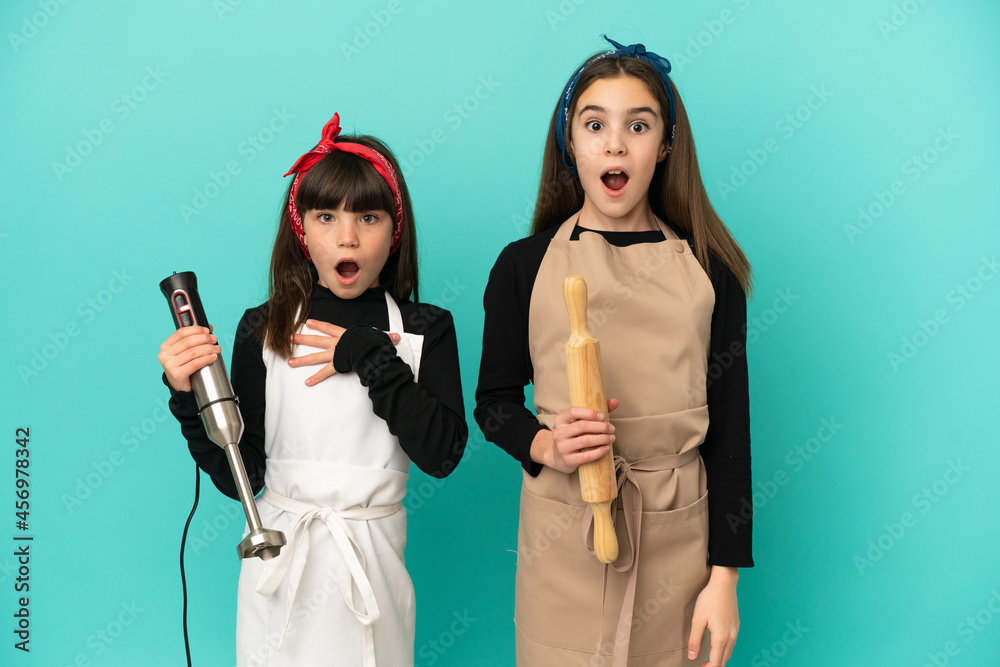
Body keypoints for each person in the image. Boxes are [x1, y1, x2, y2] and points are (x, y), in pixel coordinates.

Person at [475, 36, 754, 667]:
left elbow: (731, 433)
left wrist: (725, 579)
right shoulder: (524, 266)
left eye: (638, 125)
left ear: (666, 146)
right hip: (561, 530)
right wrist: (545, 444)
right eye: (594, 124)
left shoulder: (711, 271)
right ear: (570, 144)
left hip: (676, 531)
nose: (615, 143)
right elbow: (493, 403)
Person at [159, 113, 467, 666]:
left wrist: (371, 355)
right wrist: (189, 399)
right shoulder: (263, 326)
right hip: (279, 565)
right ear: (301, 229)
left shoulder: (425, 329)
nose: (347, 236)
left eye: (368, 217)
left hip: (371, 567)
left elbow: (442, 454)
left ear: (395, 230)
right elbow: (245, 478)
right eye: (326, 216)